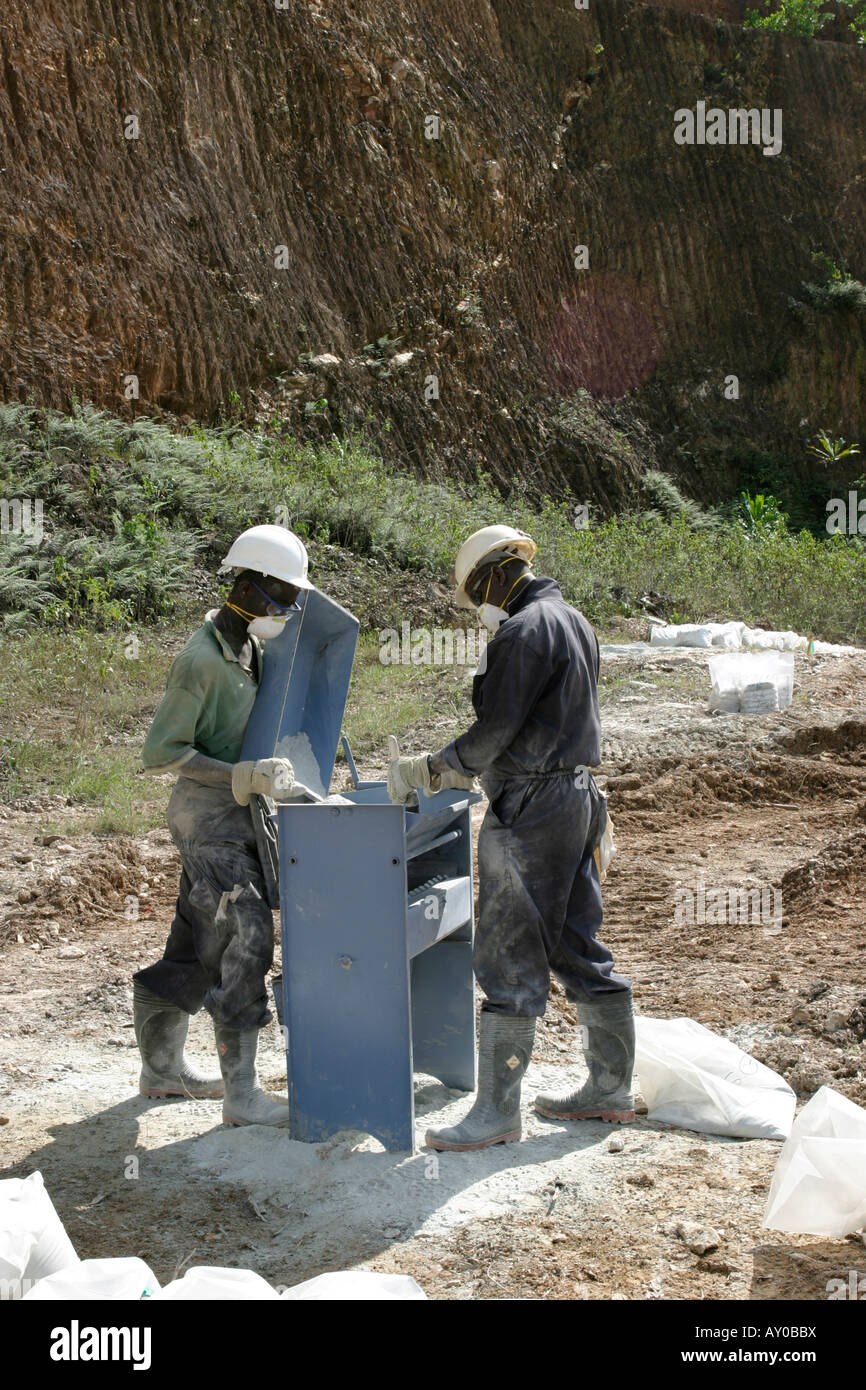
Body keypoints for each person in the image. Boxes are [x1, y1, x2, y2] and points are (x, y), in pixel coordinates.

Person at [388, 524, 634, 1152]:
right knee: (577, 941)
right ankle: (611, 1087)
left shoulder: (522, 632)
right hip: (577, 799)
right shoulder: (573, 619)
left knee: (506, 953)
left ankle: (497, 1113)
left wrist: (434, 767)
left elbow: (494, 731)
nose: (479, 608)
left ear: (496, 573)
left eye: (477, 593)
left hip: (530, 806)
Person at [132, 524, 313, 1127]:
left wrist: (270, 777)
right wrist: (241, 775)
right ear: (249, 589)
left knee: (195, 940)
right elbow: (162, 752)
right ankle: (242, 1095)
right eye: (280, 598)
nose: (286, 611)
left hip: (237, 816)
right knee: (247, 932)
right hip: (207, 821)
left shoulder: (249, 650)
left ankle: (161, 1071)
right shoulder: (201, 661)